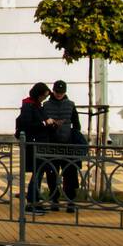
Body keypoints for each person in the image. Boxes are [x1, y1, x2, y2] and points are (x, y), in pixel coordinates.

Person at [43, 79, 84, 211]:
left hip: (68, 145)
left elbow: (76, 124)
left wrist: (72, 134)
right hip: (52, 144)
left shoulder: (70, 105)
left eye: (61, 92)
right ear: (53, 91)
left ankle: (70, 201)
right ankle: (54, 200)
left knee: (70, 174)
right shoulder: (46, 105)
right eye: (57, 92)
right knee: (52, 173)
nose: (59, 94)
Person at [14, 82, 52, 212]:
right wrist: (44, 123)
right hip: (33, 144)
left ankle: (35, 200)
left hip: (39, 143)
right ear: (38, 94)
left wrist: (50, 123)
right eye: (44, 96)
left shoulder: (36, 105)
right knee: (37, 172)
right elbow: (28, 125)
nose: (44, 99)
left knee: (39, 172)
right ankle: (32, 202)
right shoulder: (29, 106)